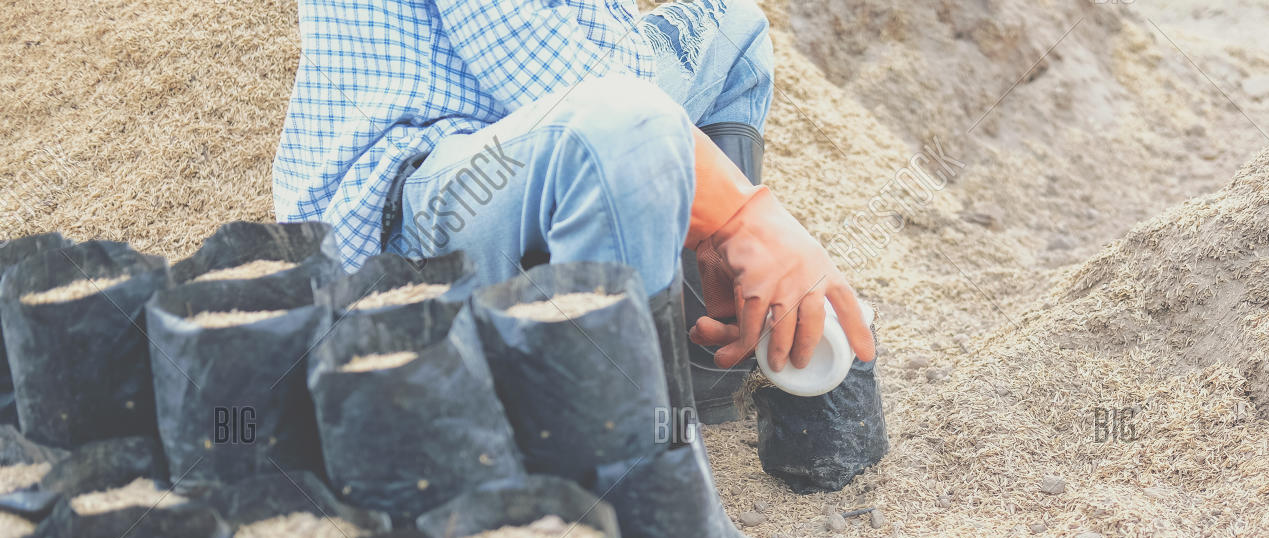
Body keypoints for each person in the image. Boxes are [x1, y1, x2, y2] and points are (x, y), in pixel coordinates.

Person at [272, 0, 875, 374]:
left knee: (732, 29)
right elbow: (561, 80)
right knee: (624, 126)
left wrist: (693, 207)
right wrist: (743, 217)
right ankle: (618, 473)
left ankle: (701, 347)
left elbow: (613, 60)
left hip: (531, 139)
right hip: (413, 217)